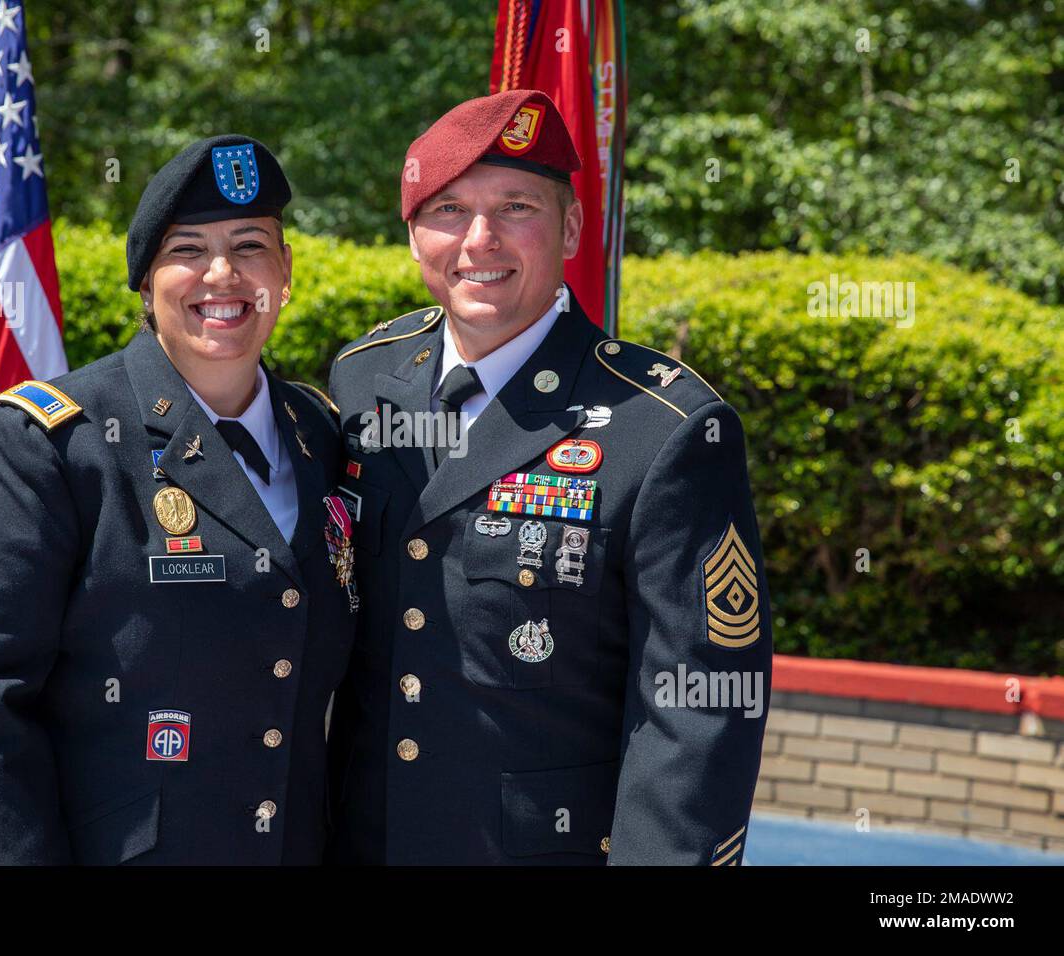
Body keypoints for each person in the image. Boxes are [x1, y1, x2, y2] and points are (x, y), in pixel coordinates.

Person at [325, 91, 772, 865]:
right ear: (412, 236)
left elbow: (699, 709)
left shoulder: (664, 427)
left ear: (569, 228)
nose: (479, 240)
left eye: (515, 206)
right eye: (448, 209)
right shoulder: (366, 378)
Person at [0, 135, 357, 865]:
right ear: (148, 281)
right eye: (188, 249)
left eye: (251, 246)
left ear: (284, 273)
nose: (223, 273)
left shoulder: (318, 433)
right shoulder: (49, 445)